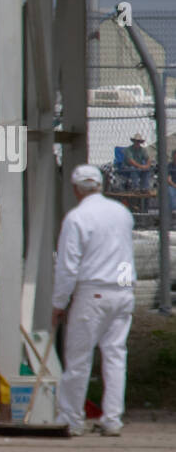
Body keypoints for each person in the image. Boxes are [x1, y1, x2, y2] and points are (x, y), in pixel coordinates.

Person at [52, 164, 136, 437]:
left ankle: (72, 418)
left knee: (78, 358)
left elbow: (67, 265)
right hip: (123, 291)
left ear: (76, 189)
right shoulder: (122, 213)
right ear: (100, 184)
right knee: (114, 355)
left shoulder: (77, 218)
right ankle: (112, 418)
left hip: (93, 291)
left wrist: (59, 303)